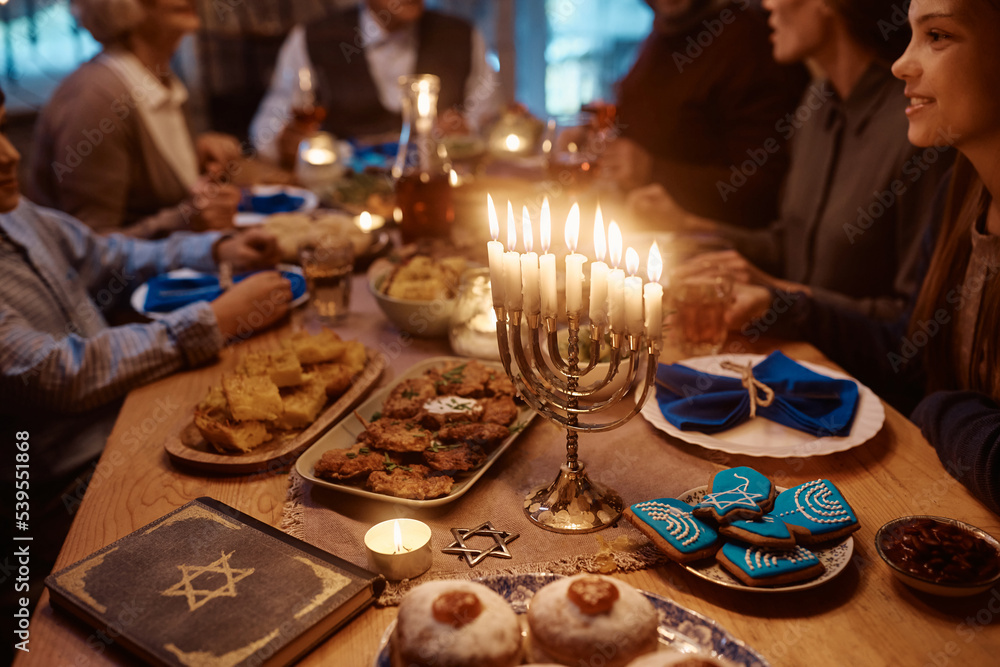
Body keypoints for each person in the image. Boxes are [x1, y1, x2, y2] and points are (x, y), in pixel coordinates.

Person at [0, 84, 293, 622]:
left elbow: (112, 254)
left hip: (130, 425)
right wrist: (214, 321)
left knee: (289, 471)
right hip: (59, 494)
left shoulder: (17, 216)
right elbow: (54, 372)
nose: (9, 153)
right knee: (268, 545)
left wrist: (216, 248)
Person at [728, 0, 1000, 514]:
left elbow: (924, 387)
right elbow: (909, 347)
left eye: (938, 35)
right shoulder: (959, 195)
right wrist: (775, 303)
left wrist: (941, 409)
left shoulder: (921, 154)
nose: (900, 63)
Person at [635, 0, 953, 320]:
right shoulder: (815, 103)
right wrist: (690, 228)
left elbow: (911, 323)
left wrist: (780, 296)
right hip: (795, 354)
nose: (767, 4)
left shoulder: (914, 128)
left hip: (847, 369)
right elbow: (790, 245)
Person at [28, 0, 242, 238]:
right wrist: (184, 221)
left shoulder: (160, 80)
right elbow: (90, 250)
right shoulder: (98, 98)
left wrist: (196, 161)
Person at [597, 0, 811, 227]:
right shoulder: (667, 31)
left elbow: (766, 190)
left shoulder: (750, 42)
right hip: (643, 234)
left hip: (713, 251)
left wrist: (652, 171)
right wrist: (595, 138)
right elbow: (650, 120)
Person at [249, 0, 502, 168]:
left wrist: (467, 129)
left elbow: (487, 114)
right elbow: (267, 130)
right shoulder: (313, 38)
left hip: (436, 192)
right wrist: (285, 142)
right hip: (345, 201)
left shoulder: (461, 35)